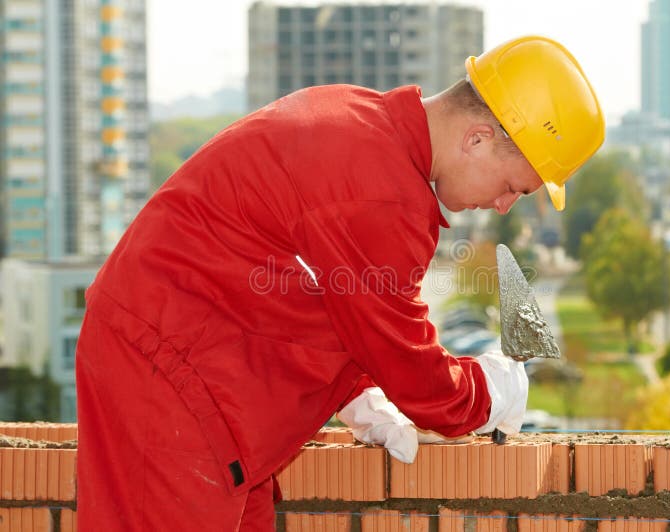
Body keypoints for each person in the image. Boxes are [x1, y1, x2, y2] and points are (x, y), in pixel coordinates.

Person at [76, 35, 604, 530]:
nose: (504, 204)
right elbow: (419, 379)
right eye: (513, 186)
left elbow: (309, 287)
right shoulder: (382, 194)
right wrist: (488, 392)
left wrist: (356, 390)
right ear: (478, 137)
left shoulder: (360, 121)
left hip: (183, 360)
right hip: (165, 373)